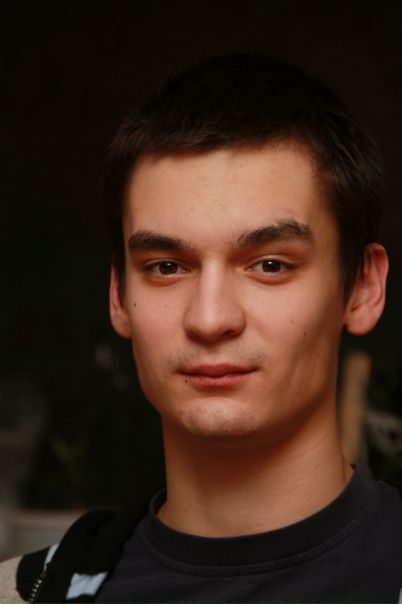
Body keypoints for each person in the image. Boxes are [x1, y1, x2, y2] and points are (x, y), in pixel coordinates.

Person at [2, 54, 401, 604]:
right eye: (167, 267)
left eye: (270, 265)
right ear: (118, 294)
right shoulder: (24, 593)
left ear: (362, 287)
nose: (210, 319)